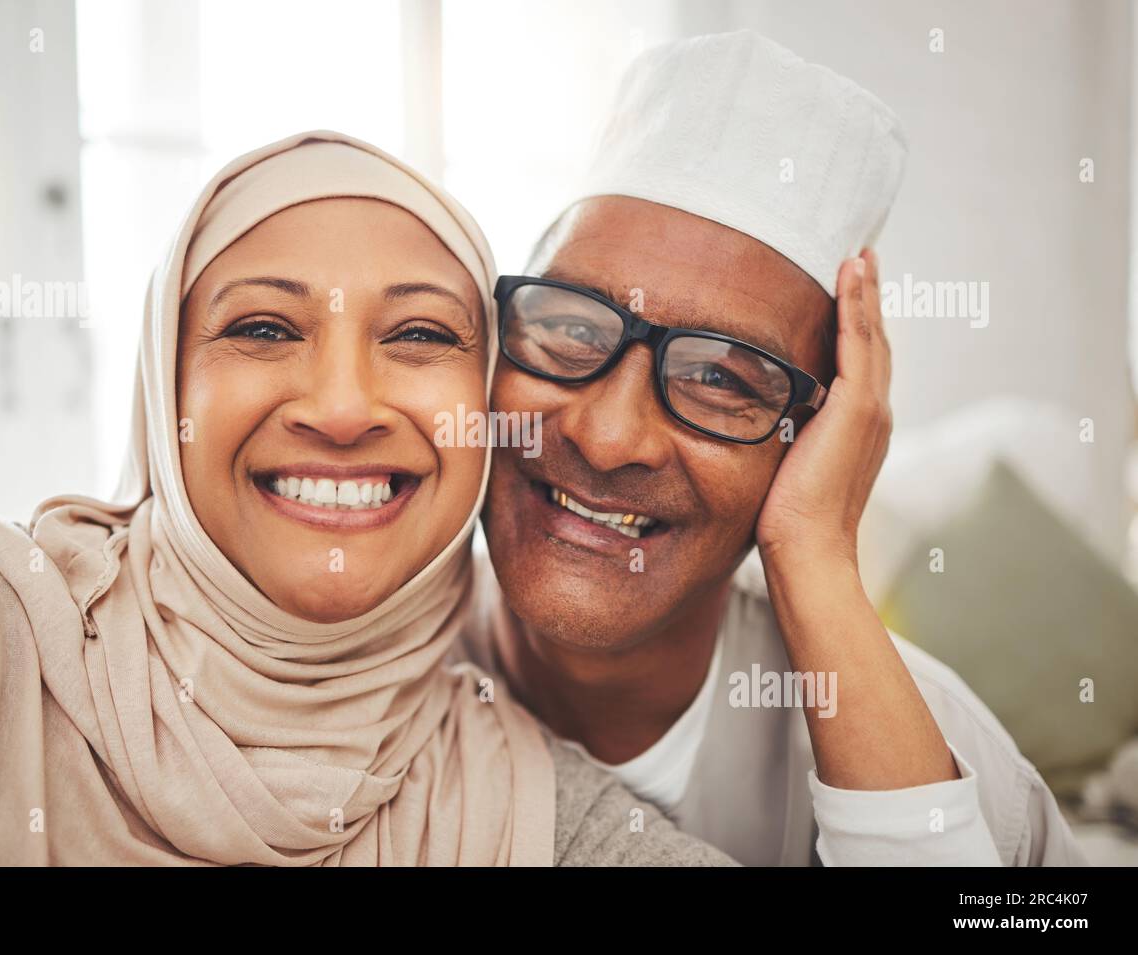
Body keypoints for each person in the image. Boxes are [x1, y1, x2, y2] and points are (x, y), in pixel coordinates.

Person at [0, 131, 733, 867]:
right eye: (262, 328)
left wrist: (813, 544)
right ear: (164, 387)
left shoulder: (547, 824)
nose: (342, 409)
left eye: (419, 334)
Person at [456, 31, 1087, 866]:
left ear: (819, 438)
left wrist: (817, 550)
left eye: (721, 378)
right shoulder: (352, 661)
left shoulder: (935, 760)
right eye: (572, 327)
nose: (607, 436)